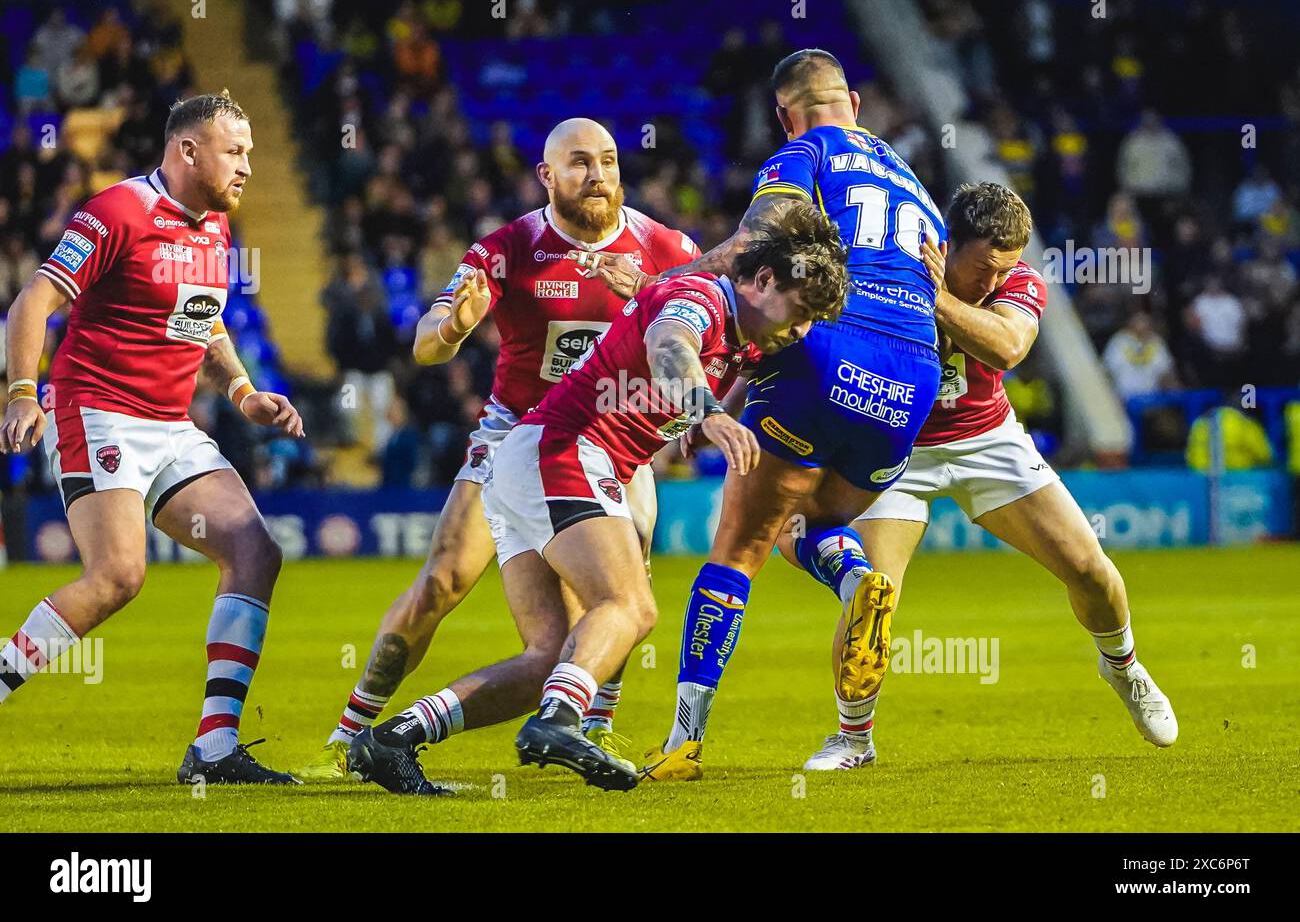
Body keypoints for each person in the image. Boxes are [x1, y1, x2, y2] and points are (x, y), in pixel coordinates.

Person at [352, 199, 848, 794]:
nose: (799, 332)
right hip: (563, 449)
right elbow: (671, 347)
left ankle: (390, 739)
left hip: (530, 463)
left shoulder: (744, 333)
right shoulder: (704, 299)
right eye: (798, 316)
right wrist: (706, 410)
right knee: (631, 607)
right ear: (763, 280)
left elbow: (696, 351)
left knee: (547, 660)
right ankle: (560, 724)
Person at [294, 118, 701, 783]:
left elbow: (708, 330)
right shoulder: (511, 247)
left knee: (619, 596)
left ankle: (594, 726)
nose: (596, 175)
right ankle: (350, 736)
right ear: (547, 176)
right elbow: (426, 341)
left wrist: (655, 304)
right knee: (446, 577)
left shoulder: (664, 247)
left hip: (613, 445)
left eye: (607, 161)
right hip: (517, 435)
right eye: (578, 163)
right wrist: (452, 328)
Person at [585, 49, 945, 780]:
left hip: (826, 347)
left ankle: (686, 741)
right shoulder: (916, 184)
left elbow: (754, 243)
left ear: (785, 114)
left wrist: (660, 284)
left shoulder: (804, 152)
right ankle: (853, 580)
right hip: (914, 378)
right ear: (853, 99)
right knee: (812, 525)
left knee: (739, 548)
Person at [802, 182, 1177, 771]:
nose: (996, 282)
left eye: (1006, 268)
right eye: (983, 269)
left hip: (987, 439)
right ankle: (853, 739)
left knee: (1090, 570)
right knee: (874, 596)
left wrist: (940, 300)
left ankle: (1123, 667)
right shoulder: (885, 267)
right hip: (896, 442)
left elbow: (1007, 348)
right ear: (946, 245)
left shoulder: (1019, 279)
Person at [0, 90, 305, 785]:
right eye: (236, 150)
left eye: (252, 152)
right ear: (188, 151)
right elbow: (33, 300)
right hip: (97, 411)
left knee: (255, 551)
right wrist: (22, 394)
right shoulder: (117, 211)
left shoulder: (216, 231)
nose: (249, 166)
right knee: (116, 578)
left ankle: (216, 748)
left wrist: (243, 391)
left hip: (170, 424)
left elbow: (206, 323)